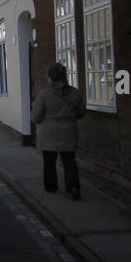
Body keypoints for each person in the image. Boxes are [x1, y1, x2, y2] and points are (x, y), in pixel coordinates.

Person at [30, 62, 86, 200]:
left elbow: (36, 117)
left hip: (49, 134)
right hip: (69, 132)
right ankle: (74, 187)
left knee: (49, 163)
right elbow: (81, 112)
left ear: (50, 77)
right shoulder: (75, 93)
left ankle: (51, 187)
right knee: (70, 162)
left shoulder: (44, 95)